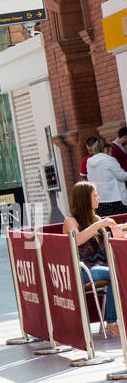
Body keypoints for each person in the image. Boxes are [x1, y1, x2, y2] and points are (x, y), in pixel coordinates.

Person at [63, 180, 124, 340]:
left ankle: (114, 321)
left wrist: (118, 233)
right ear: (84, 198)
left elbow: (106, 244)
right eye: (95, 195)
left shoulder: (96, 218)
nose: (98, 198)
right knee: (116, 274)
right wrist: (99, 225)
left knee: (119, 273)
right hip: (83, 270)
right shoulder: (70, 221)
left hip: (103, 266)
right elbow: (77, 240)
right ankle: (111, 323)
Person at [86, 140, 127, 216]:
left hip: (99, 199)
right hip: (115, 198)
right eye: (110, 151)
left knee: (105, 224)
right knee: (120, 222)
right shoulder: (109, 160)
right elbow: (121, 176)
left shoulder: (89, 162)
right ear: (105, 149)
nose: (111, 154)